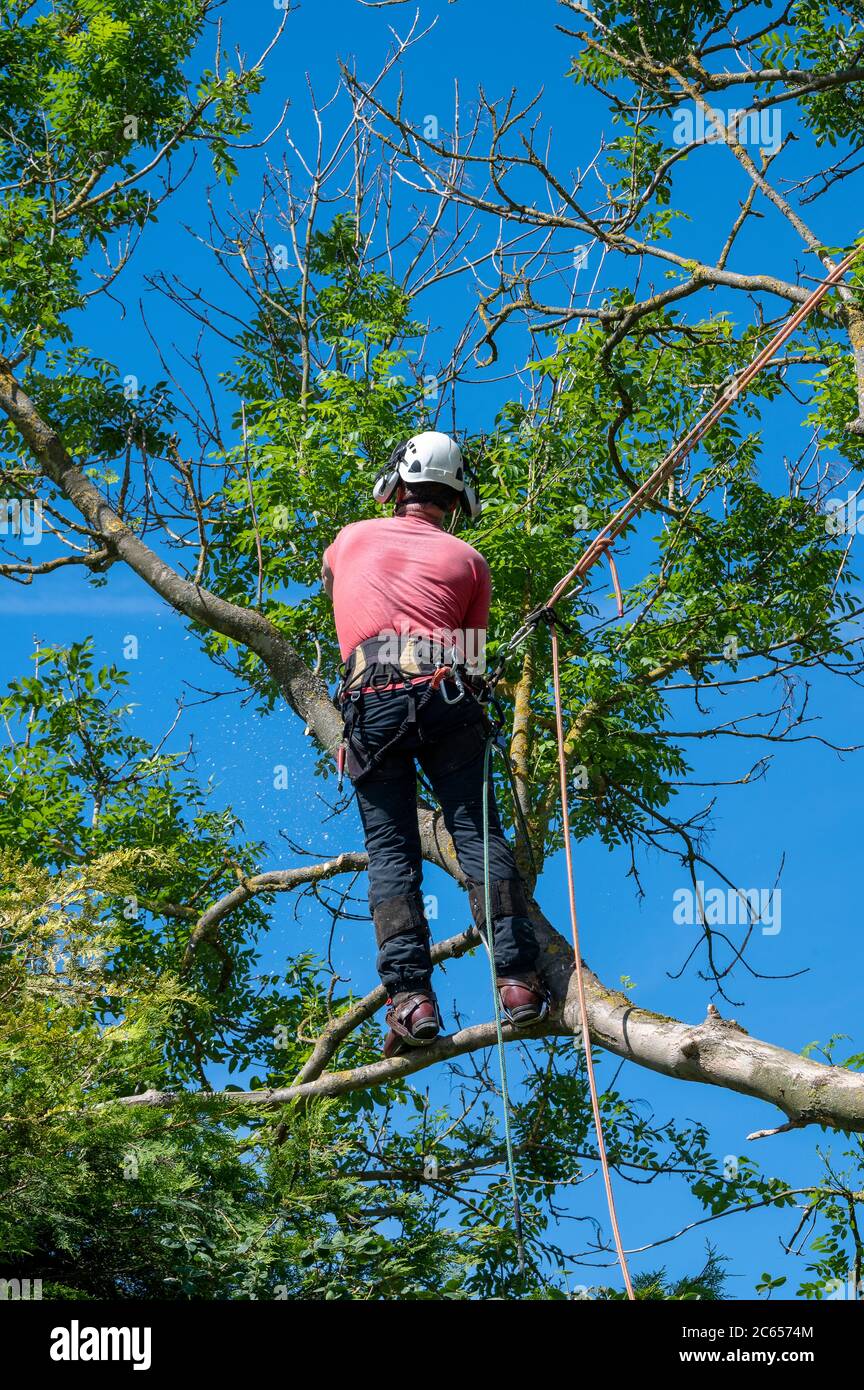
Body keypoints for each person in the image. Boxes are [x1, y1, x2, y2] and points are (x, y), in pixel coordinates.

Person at [322, 431, 546, 1057]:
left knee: (391, 852)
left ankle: (411, 1000)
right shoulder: (470, 563)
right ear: (457, 498)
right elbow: (471, 658)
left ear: (396, 485)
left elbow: (338, 580)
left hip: (371, 703)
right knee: (477, 836)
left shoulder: (349, 539)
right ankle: (519, 983)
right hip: (448, 696)